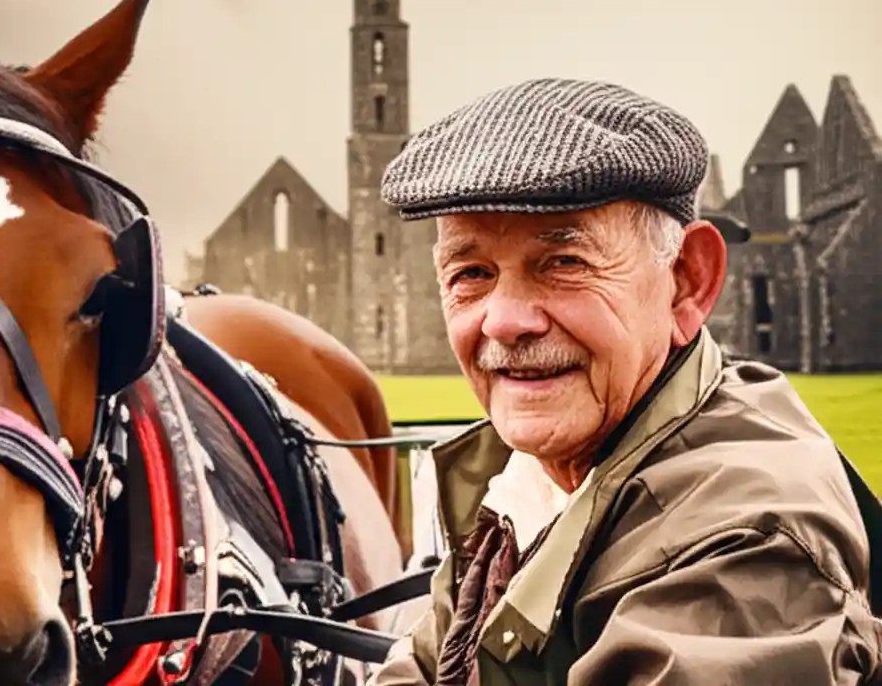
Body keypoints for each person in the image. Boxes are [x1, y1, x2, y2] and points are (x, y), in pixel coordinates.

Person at [367, 78, 882, 685]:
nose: (503, 321)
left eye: (564, 263)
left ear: (687, 281)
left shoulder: (744, 548)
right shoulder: (530, 476)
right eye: (471, 273)